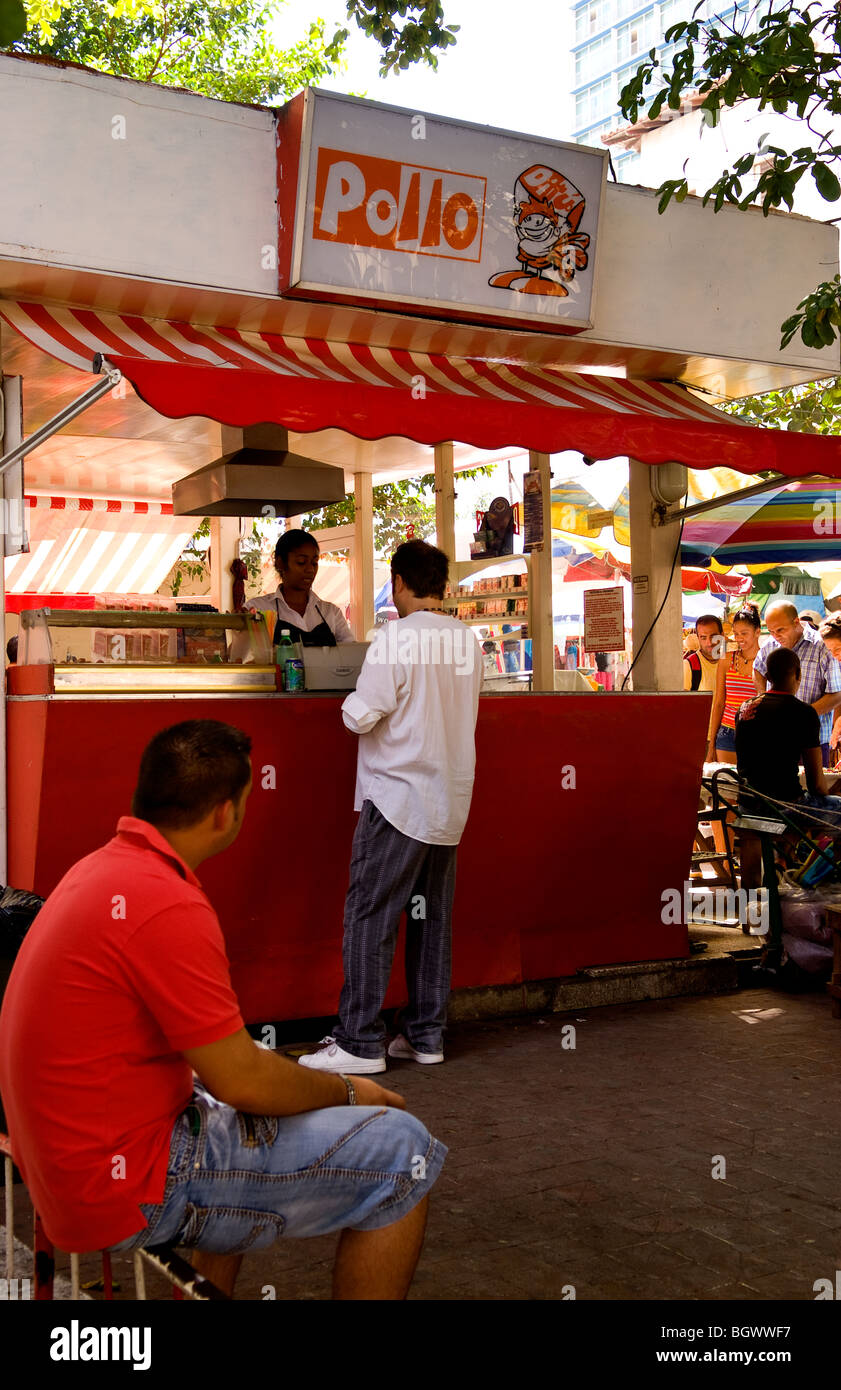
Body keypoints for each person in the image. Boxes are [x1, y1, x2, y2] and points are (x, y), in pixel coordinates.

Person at [0, 720, 444, 1299]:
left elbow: (232, 1075)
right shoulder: (167, 902)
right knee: (402, 1152)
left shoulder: (99, 870)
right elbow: (242, 1081)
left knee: (242, 1100)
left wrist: (277, 1085)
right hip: (122, 1186)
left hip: (62, 1168)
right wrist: (350, 1092)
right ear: (224, 813)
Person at [299, 540, 483, 1074]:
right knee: (431, 920)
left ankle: (358, 1042)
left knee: (370, 914)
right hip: (448, 800)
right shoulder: (467, 641)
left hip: (399, 797)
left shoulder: (396, 638)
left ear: (399, 582)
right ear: (441, 586)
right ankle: (426, 1036)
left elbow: (360, 716)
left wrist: (347, 698)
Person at [735, 648, 841, 890]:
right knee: (834, 809)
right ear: (798, 674)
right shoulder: (804, 713)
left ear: (768, 676)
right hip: (786, 808)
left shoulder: (745, 708)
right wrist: (830, 792)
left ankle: (765, 885)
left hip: (749, 805)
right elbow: (816, 785)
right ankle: (818, 885)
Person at [232, 529, 354, 659]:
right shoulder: (258, 610)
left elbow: (352, 656)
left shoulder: (331, 613)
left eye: (314, 563)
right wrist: (242, 627)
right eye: (301, 562)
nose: (310, 569)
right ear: (280, 563)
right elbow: (237, 658)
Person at [753, 600, 841, 767]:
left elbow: (837, 694)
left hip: (813, 739)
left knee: (812, 782)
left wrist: (801, 716)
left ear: (796, 622)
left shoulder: (822, 645)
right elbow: (757, 668)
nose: (776, 636)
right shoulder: (770, 644)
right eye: (771, 631)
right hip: (777, 739)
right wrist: (762, 696)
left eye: (780, 630)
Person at [707, 602, 762, 763]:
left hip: (756, 734)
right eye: (736, 633)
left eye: (744, 633)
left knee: (751, 779)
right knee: (726, 778)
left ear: (757, 632)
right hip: (726, 732)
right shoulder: (725, 660)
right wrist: (712, 744)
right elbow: (719, 703)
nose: (739, 638)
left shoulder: (765, 661)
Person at [683, 613, 724, 694]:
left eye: (713, 636)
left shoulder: (730, 662)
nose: (709, 643)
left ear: (722, 635)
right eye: (703, 638)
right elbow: (683, 700)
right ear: (698, 638)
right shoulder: (689, 665)